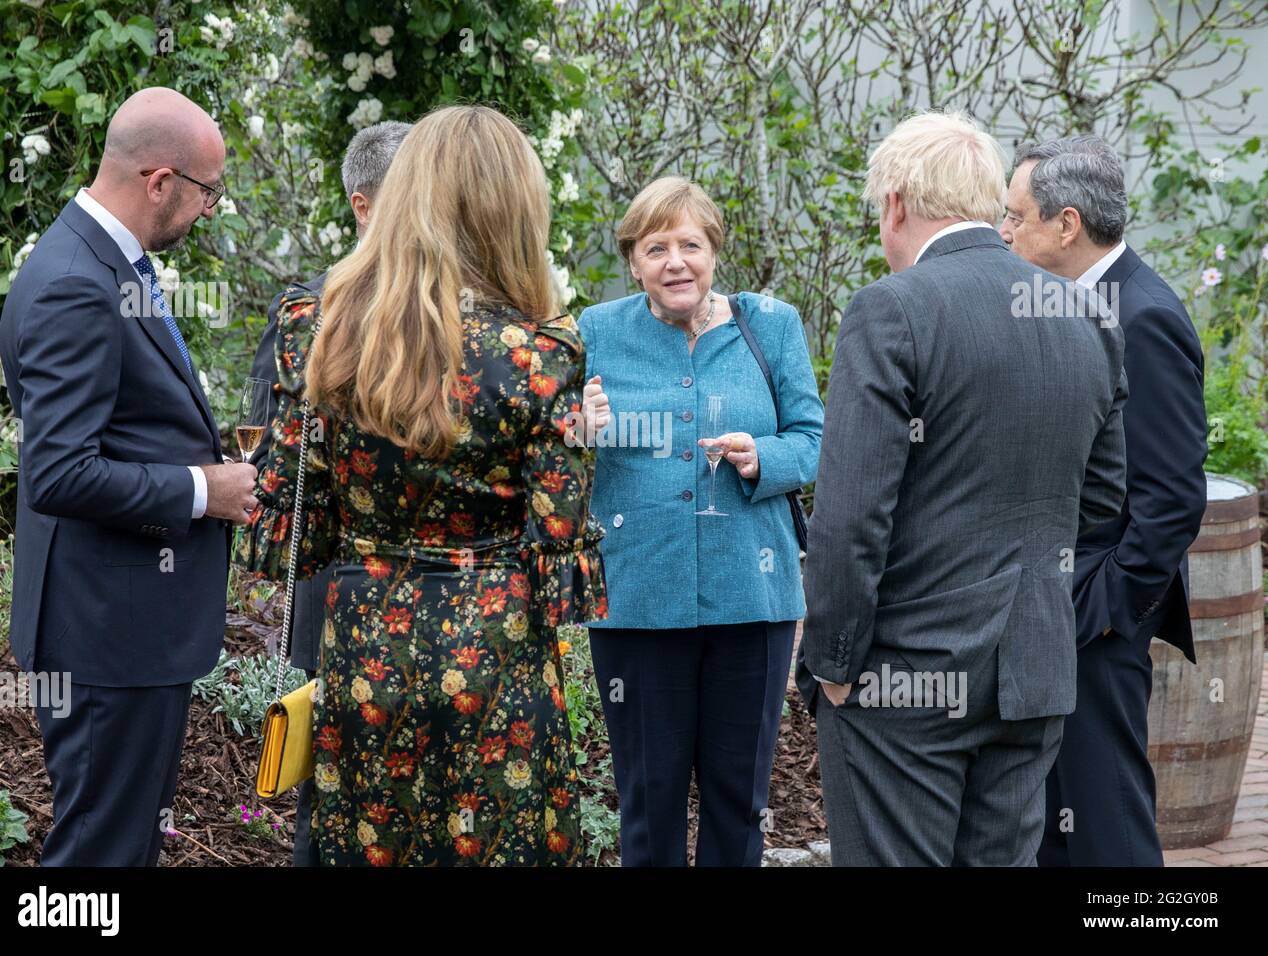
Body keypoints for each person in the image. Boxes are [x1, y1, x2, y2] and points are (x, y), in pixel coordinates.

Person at [241, 104, 606, 866]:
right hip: (496, 653)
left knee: (369, 842)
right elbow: (558, 551)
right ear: (513, 206)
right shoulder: (541, 351)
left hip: (365, 644)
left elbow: (293, 531)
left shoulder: (320, 326)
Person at [796, 111, 1129, 866]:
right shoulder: (1085, 312)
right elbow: (1104, 497)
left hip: (903, 678)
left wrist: (833, 666)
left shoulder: (892, 309)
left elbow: (850, 517)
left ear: (896, 204)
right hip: (1033, 671)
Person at [0, 87, 256, 866]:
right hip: (108, 634)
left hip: (115, 622)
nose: (210, 210)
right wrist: (201, 490)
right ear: (159, 180)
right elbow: (61, 473)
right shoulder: (80, 280)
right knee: (100, 854)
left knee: (122, 844)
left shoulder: (101, 258)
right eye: (208, 190)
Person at [578, 176, 824, 866]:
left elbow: (813, 438)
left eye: (690, 244)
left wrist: (761, 457)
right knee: (648, 806)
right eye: (656, 247)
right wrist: (577, 428)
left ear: (715, 250)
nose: (675, 261)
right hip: (638, 602)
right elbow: (554, 452)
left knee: (738, 802)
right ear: (633, 260)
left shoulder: (769, 324)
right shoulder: (595, 332)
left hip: (751, 595)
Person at [1001, 135, 1207, 867]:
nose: (1004, 231)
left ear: (1066, 224)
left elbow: (1173, 496)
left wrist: (1109, 608)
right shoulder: (1069, 303)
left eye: (1016, 216)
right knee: (1058, 821)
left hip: (1096, 616)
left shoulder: (1141, 316)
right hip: (1059, 604)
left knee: (1105, 817)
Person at [245, 119, 412, 867]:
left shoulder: (481, 315)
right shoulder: (305, 315)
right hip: (337, 583)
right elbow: (268, 473)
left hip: (449, 596)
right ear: (362, 205)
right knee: (334, 791)